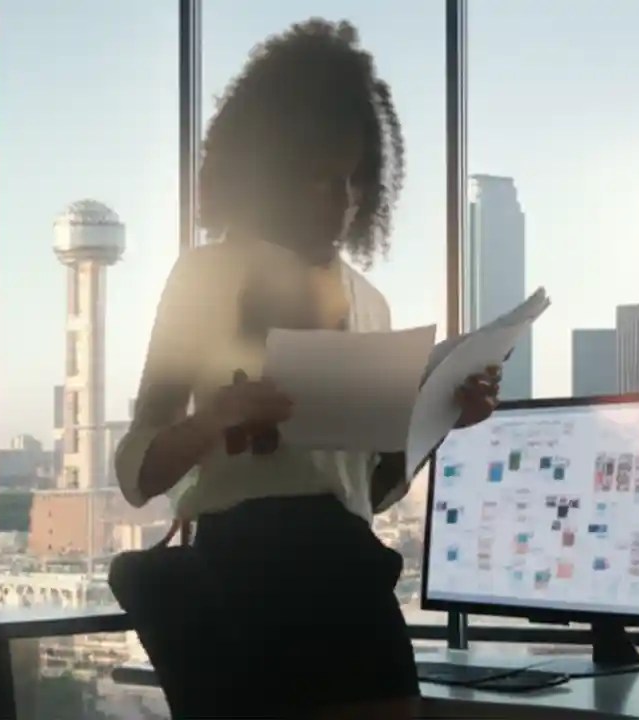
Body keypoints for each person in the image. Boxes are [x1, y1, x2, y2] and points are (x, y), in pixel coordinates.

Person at [108, 18, 501, 720]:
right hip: (245, 577)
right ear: (269, 175)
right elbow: (137, 470)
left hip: (346, 570)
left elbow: (366, 494)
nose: (341, 201)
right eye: (319, 179)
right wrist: (214, 421)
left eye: (353, 181)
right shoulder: (205, 277)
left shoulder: (371, 302)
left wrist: (441, 418)